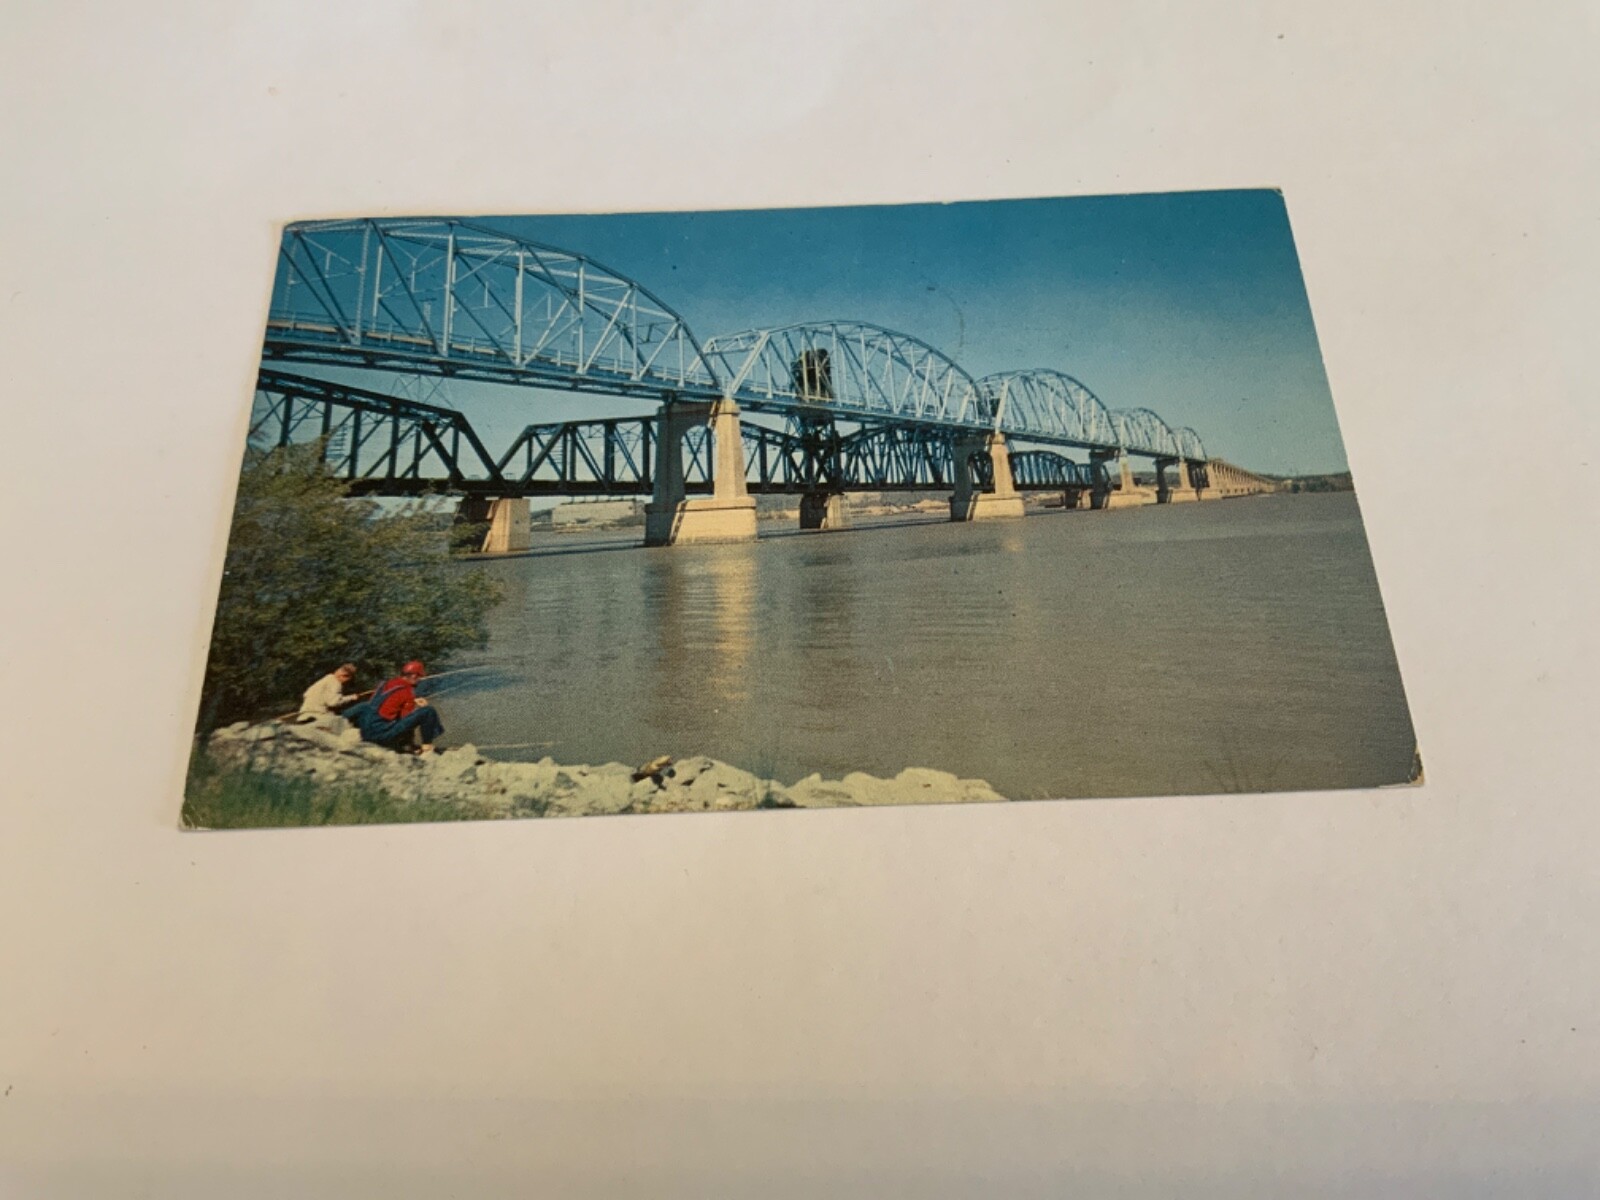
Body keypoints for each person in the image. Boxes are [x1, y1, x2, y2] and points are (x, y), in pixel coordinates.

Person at [355, 660, 444, 753]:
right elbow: (406, 720)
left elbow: (386, 703)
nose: (420, 680)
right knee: (428, 711)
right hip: (380, 735)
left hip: (365, 733)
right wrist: (419, 708)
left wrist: (412, 702)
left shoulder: (385, 684)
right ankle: (426, 745)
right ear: (414, 676)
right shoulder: (408, 691)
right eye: (420, 677)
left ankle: (403, 744)